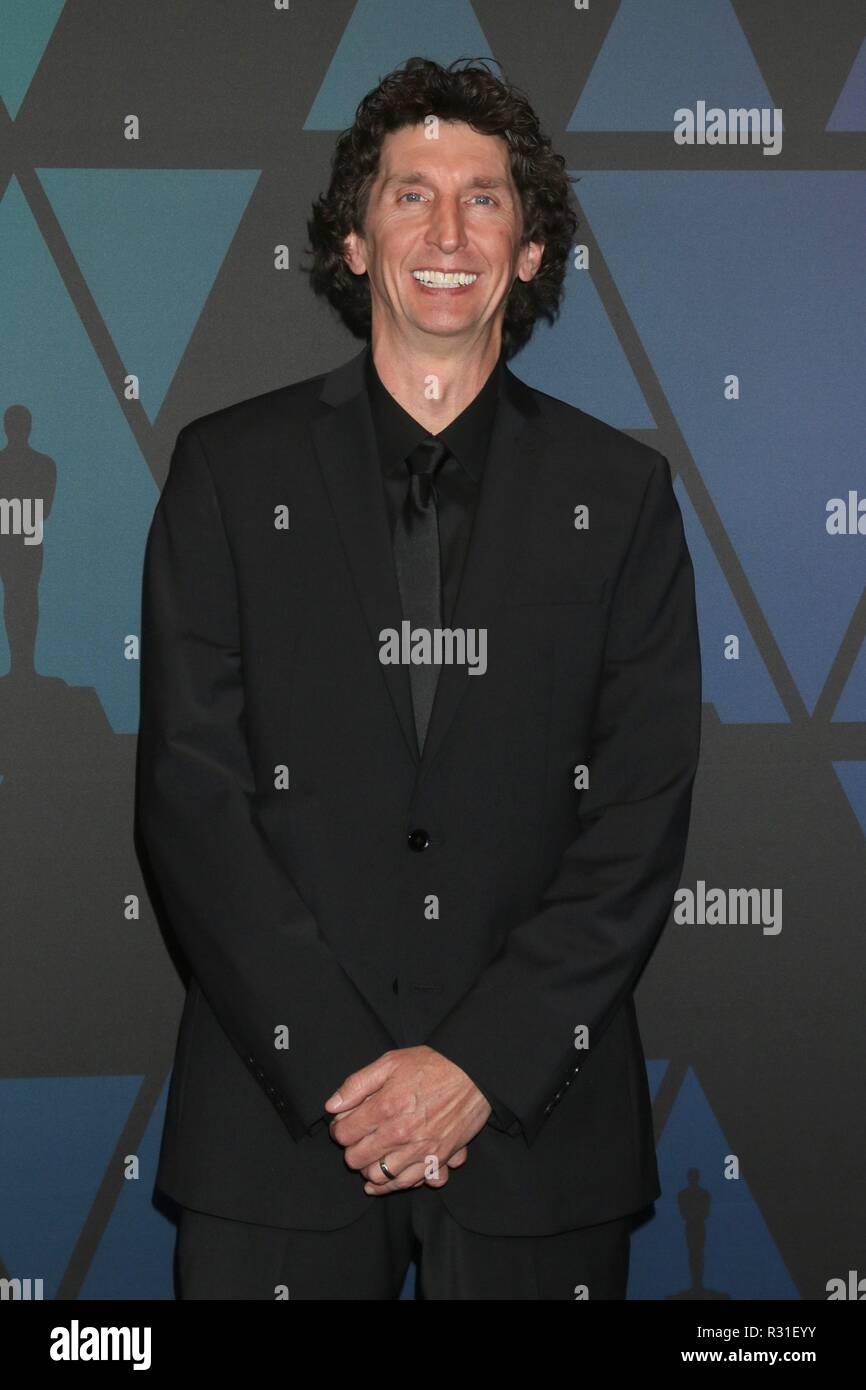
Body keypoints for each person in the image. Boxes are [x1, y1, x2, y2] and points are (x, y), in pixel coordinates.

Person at [136, 56, 702, 1300]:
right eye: (409, 195)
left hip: (535, 1148)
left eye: (485, 199)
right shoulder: (227, 475)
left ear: (533, 248)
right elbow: (192, 799)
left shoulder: (621, 499)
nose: (447, 232)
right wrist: (357, 1081)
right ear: (352, 237)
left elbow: (638, 815)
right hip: (277, 1138)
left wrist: (473, 1070)